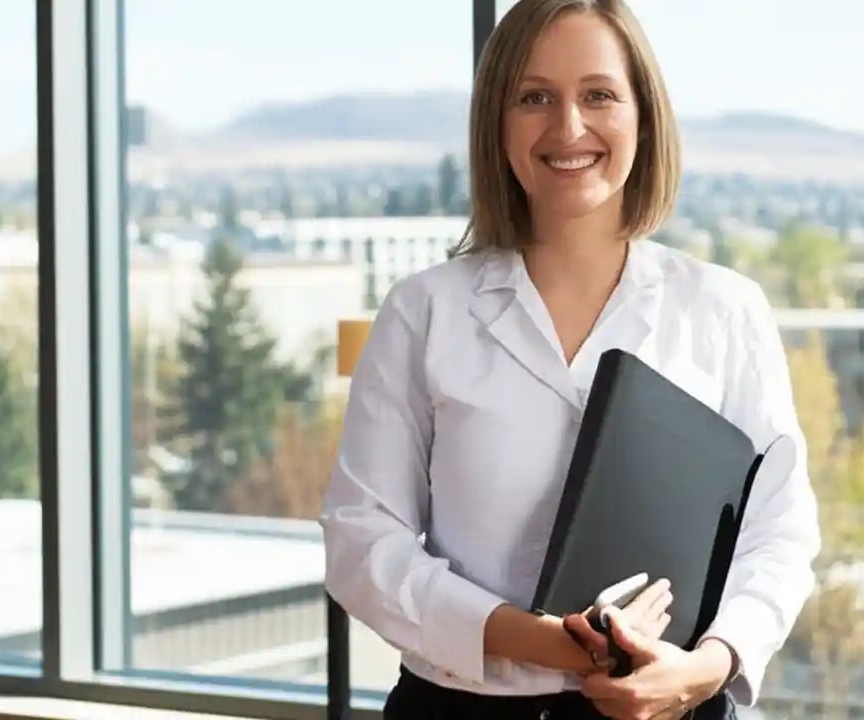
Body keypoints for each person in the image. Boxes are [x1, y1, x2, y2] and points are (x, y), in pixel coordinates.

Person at [318, 0, 821, 717]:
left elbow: (781, 529)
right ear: (497, 121)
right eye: (534, 98)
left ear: (643, 116)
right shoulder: (426, 311)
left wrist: (706, 667)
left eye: (598, 95)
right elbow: (360, 540)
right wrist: (544, 642)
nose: (569, 127)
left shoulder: (723, 310)